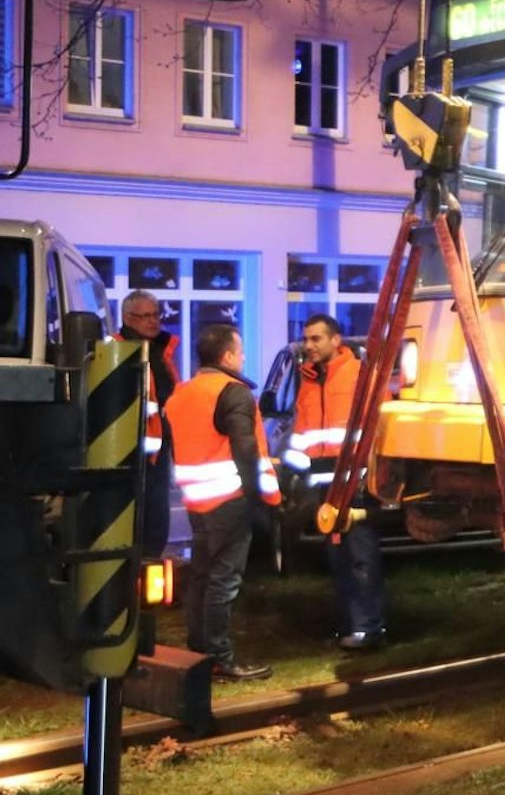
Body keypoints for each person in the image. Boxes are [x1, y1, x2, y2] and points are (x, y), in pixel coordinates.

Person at [168, 323, 278, 681]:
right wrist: (257, 494)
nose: (244, 356)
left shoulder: (181, 394)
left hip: (196, 500)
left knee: (202, 577)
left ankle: (200, 651)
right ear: (228, 356)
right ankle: (220, 658)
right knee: (223, 580)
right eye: (241, 350)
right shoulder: (233, 393)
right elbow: (246, 448)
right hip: (229, 498)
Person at [282, 314, 386, 651]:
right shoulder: (310, 381)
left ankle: (367, 629)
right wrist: (296, 472)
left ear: (335, 340)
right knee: (339, 559)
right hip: (327, 489)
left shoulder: (358, 375)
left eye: (316, 339)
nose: (308, 346)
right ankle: (349, 625)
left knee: (361, 557)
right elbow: (302, 436)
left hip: (356, 485)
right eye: (307, 339)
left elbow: (379, 425)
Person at [118, 291, 182, 560]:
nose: (153, 321)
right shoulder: (117, 349)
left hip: (158, 445)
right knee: (134, 512)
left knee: (157, 509)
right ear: (128, 318)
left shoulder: (161, 351)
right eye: (146, 316)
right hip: (128, 448)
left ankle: (151, 559)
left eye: (156, 315)